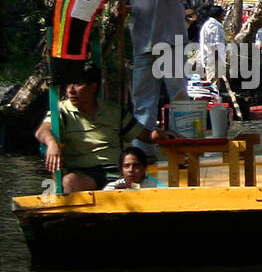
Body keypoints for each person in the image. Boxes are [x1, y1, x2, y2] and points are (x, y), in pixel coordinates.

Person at [35, 65, 175, 192]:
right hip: (83, 173)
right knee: (69, 182)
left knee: (145, 177)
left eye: (78, 84)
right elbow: (42, 131)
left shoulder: (113, 111)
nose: (70, 91)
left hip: (118, 171)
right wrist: (52, 144)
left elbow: (146, 136)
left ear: (93, 87)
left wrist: (163, 134)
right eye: (68, 85)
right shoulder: (62, 111)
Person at [126, 0, 187, 158]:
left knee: (178, 96)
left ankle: (183, 149)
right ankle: (142, 154)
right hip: (143, 42)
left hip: (170, 40)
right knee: (142, 99)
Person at [196, 5, 228, 83]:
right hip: (213, 59)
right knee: (213, 84)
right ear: (218, 15)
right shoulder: (213, 26)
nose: (224, 16)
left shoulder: (213, 24)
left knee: (215, 83)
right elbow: (214, 45)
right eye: (223, 14)